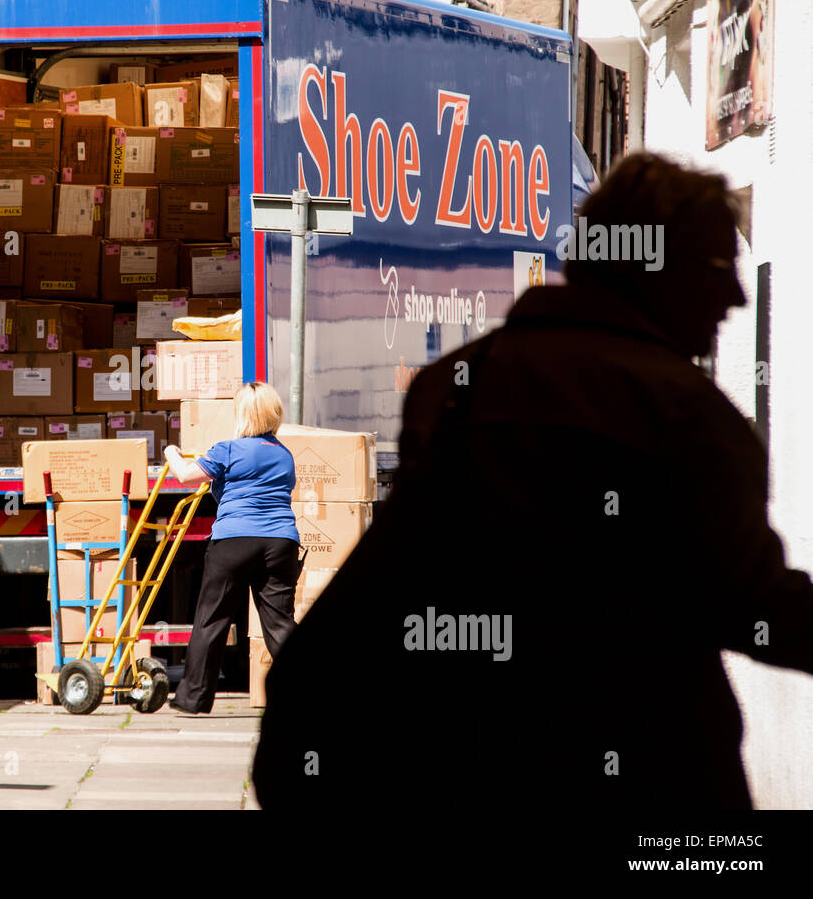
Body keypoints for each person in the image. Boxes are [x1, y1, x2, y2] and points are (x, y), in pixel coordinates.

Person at [253, 151, 813, 811]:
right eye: (720, 265)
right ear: (660, 267)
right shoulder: (689, 415)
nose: (737, 296)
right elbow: (752, 606)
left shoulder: (456, 388)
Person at [164, 382, 303, 714]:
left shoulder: (227, 450)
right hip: (281, 542)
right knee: (280, 624)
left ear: (241, 414)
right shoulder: (284, 455)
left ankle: (193, 698)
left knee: (212, 619)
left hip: (234, 541)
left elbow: (185, 476)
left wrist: (171, 452)